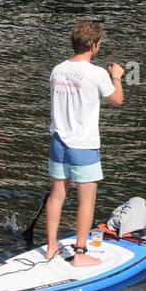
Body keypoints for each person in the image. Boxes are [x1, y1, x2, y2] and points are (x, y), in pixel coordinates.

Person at [44, 21, 125, 266]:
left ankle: (51, 248)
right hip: (84, 146)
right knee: (86, 200)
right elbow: (117, 101)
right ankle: (80, 253)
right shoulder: (97, 73)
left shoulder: (57, 70)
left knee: (57, 196)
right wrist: (116, 77)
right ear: (93, 46)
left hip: (58, 143)